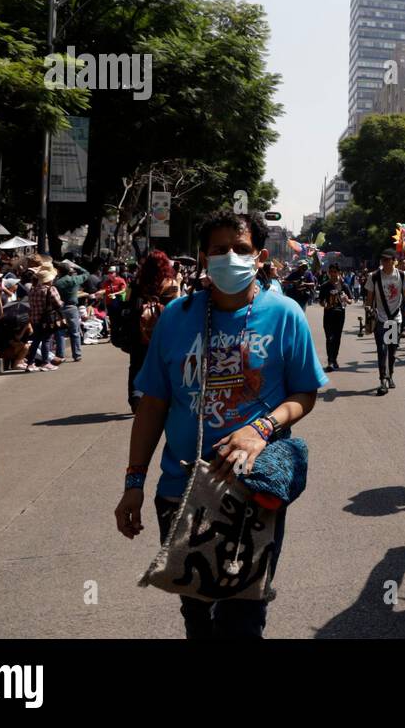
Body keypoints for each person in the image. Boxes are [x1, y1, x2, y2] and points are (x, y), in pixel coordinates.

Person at [114, 210, 325, 639]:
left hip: (252, 494)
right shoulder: (176, 316)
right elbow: (153, 402)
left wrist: (261, 429)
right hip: (180, 490)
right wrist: (134, 481)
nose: (230, 256)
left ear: (260, 256)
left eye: (241, 249)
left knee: (242, 619)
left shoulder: (285, 315)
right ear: (203, 258)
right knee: (196, 612)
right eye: (218, 249)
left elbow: (304, 394)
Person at [118, 251, 181, 411]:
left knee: (136, 365)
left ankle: (135, 398)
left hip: (140, 330)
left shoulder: (137, 281)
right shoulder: (170, 282)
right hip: (164, 329)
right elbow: (176, 305)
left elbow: (127, 301)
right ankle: (163, 399)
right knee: (164, 365)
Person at [365, 249, 405, 395]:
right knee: (382, 350)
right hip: (380, 318)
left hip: (394, 319)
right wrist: (369, 315)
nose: (384, 262)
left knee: (392, 351)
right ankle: (383, 381)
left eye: (388, 260)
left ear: (394, 261)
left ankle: (390, 374)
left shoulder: (402, 275)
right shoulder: (373, 276)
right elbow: (369, 300)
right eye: (383, 260)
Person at [23, 261, 64, 372]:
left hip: (35, 318)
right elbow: (58, 303)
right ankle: (45, 362)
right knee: (46, 340)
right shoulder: (50, 289)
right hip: (47, 319)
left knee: (36, 341)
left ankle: (30, 363)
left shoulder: (32, 290)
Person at [318, 263, 351, 372]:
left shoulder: (344, 285)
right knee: (329, 338)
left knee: (337, 338)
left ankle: (334, 358)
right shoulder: (325, 286)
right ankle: (330, 361)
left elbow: (351, 300)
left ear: (339, 272)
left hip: (340, 314)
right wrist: (325, 304)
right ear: (328, 273)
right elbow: (321, 301)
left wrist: (346, 299)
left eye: (335, 272)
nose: (333, 274)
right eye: (331, 272)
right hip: (328, 314)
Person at [53, 260, 88, 363]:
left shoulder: (57, 283)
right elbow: (86, 273)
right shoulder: (75, 280)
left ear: (59, 271)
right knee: (75, 332)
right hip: (72, 308)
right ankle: (77, 355)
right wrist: (76, 266)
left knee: (60, 332)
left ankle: (60, 355)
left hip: (60, 308)